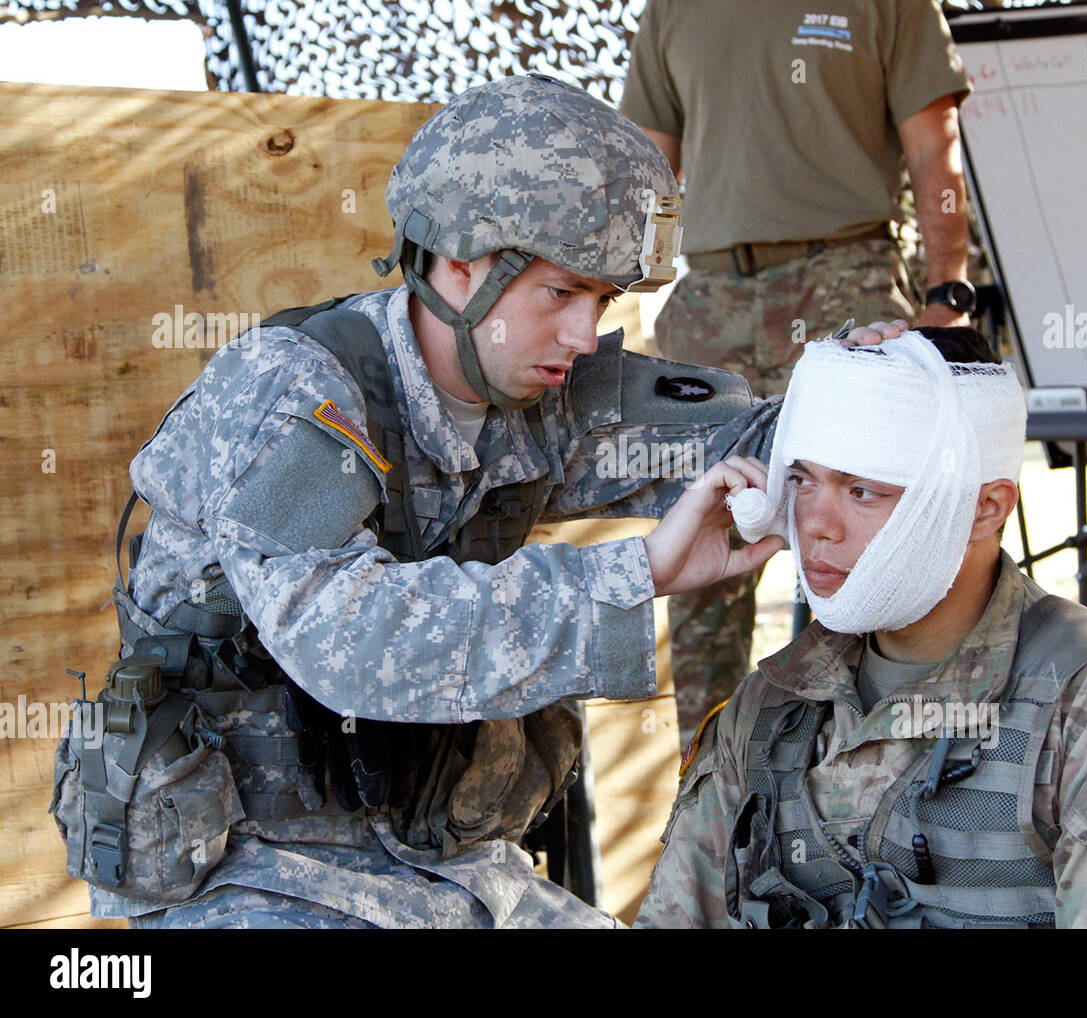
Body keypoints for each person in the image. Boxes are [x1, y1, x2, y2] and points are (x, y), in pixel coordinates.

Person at [51, 75, 790, 929]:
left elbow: (754, 442)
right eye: (559, 293)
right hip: (251, 874)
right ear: (461, 261)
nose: (585, 336)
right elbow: (347, 636)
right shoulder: (296, 393)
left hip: (446, 866)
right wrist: (637, 574)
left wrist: (867, 387)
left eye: (603, 300)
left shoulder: (537, 392)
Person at [635, 326, 1087, 928]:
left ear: (986, 507)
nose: (815, 524)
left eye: (862, 490)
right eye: (800, 481)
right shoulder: (773, 703)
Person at [619, 0, 978, 751]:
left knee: (857, 541)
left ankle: (866, 783)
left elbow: (935, 152)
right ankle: (712, 796)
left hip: (845, 275)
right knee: (704, 556)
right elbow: (646, 178)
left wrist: (948, 292)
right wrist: (607, 300)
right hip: (711, 294)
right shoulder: (672, 11)